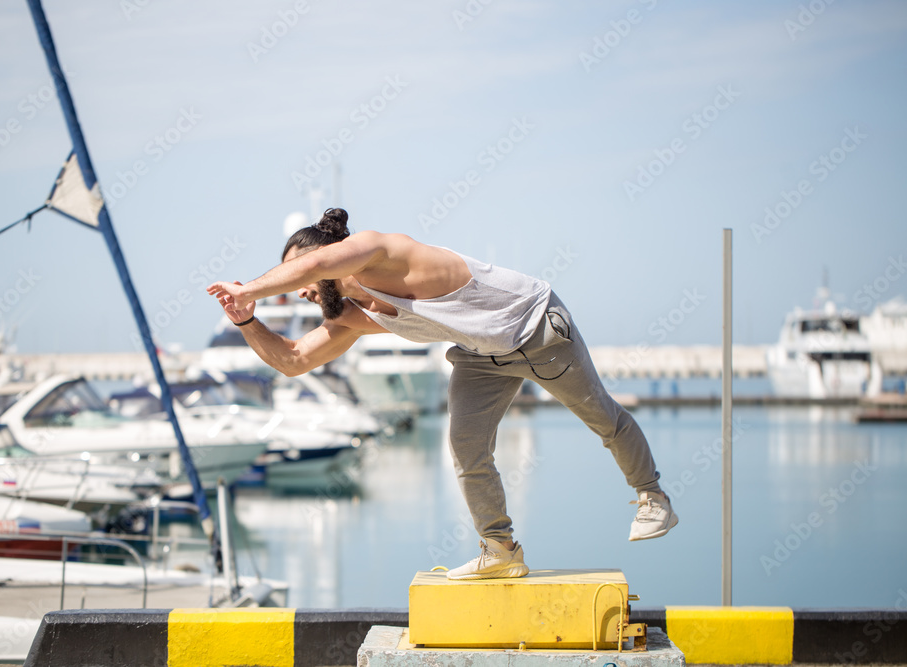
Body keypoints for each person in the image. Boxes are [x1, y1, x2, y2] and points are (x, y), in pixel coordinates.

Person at [207, 208, 677, 580]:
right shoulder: (352, 315)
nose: (298, 291)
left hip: (536, 328)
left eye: (296, 275)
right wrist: (246, 319)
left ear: (333, 257)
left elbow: (317, 265)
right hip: (480, 355)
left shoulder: (379, 251)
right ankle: (501, 550)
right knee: (467, 448)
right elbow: (293, 360)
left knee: (602, 418)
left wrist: (251, 288)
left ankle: (653, 497)